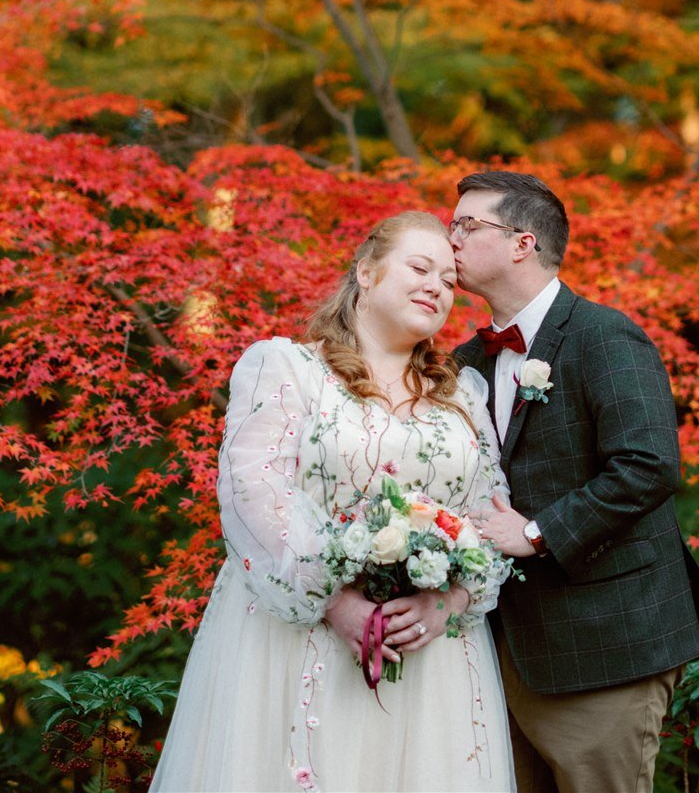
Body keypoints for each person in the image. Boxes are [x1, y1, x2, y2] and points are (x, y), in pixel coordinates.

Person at [152, 211, 516, 792]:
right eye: (420, 268)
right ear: (366, 272)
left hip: (430, 654)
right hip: (300, 634)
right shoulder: (286, 367)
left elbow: (489, 515)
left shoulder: (464, 395)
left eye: (449, 281)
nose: (437, 288)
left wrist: (447, 603)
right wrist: (336, 602)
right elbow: (254, 493)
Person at [452, 170, 699, 793]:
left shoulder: (604, 335)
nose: (450, 239)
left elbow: (647, 465)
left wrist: (538, 533)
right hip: (500, 649)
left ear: (522, 243)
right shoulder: (466, 362)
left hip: (607, 643)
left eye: (467, 224)